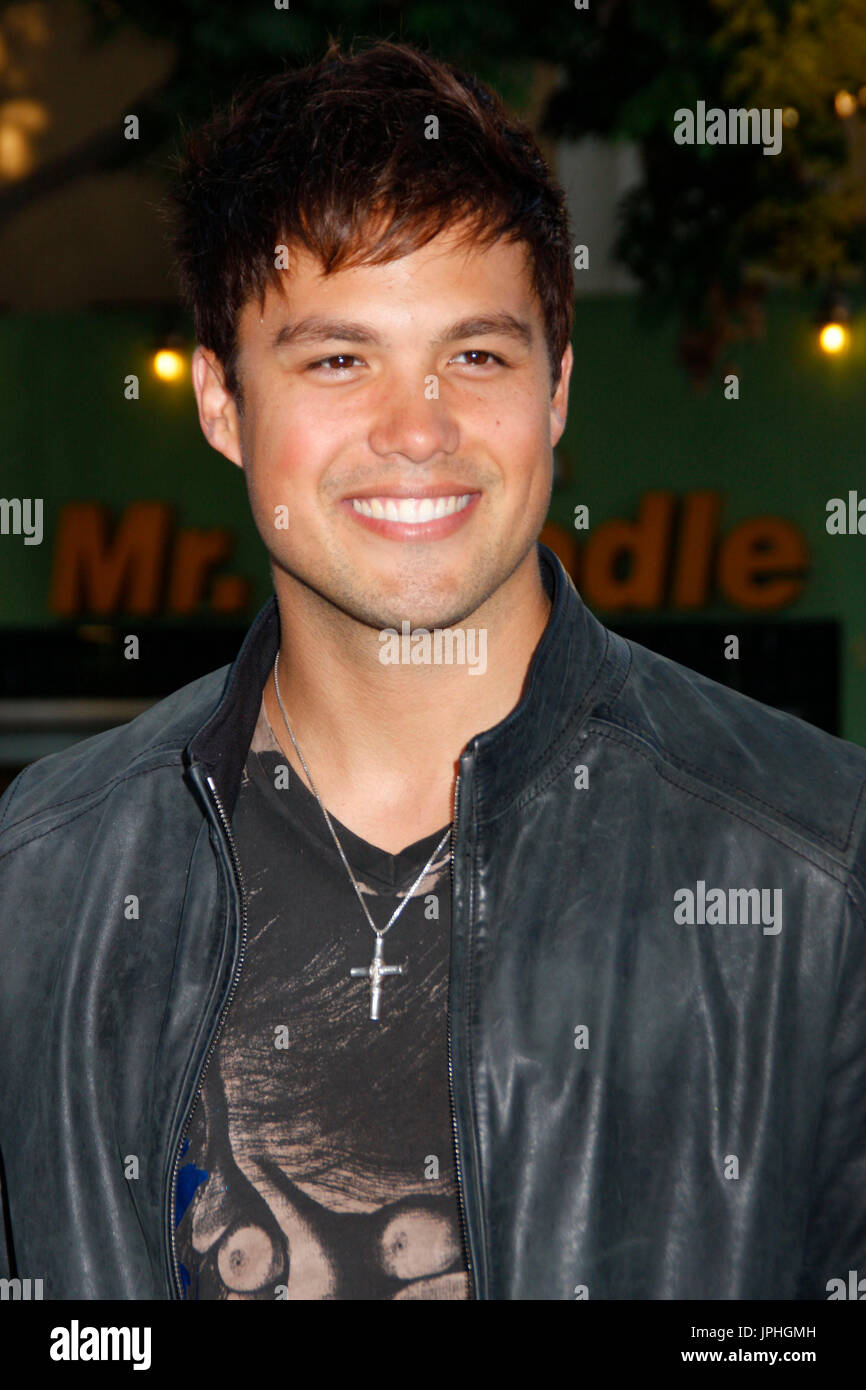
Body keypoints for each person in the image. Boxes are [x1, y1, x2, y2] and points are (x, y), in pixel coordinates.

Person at [1, 38, 865, 1302]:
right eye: (337, 359)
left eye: (476, 353)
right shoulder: (44, 882)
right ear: (224, 404)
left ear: (556, 390)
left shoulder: (815, 864)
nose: (418, 430)